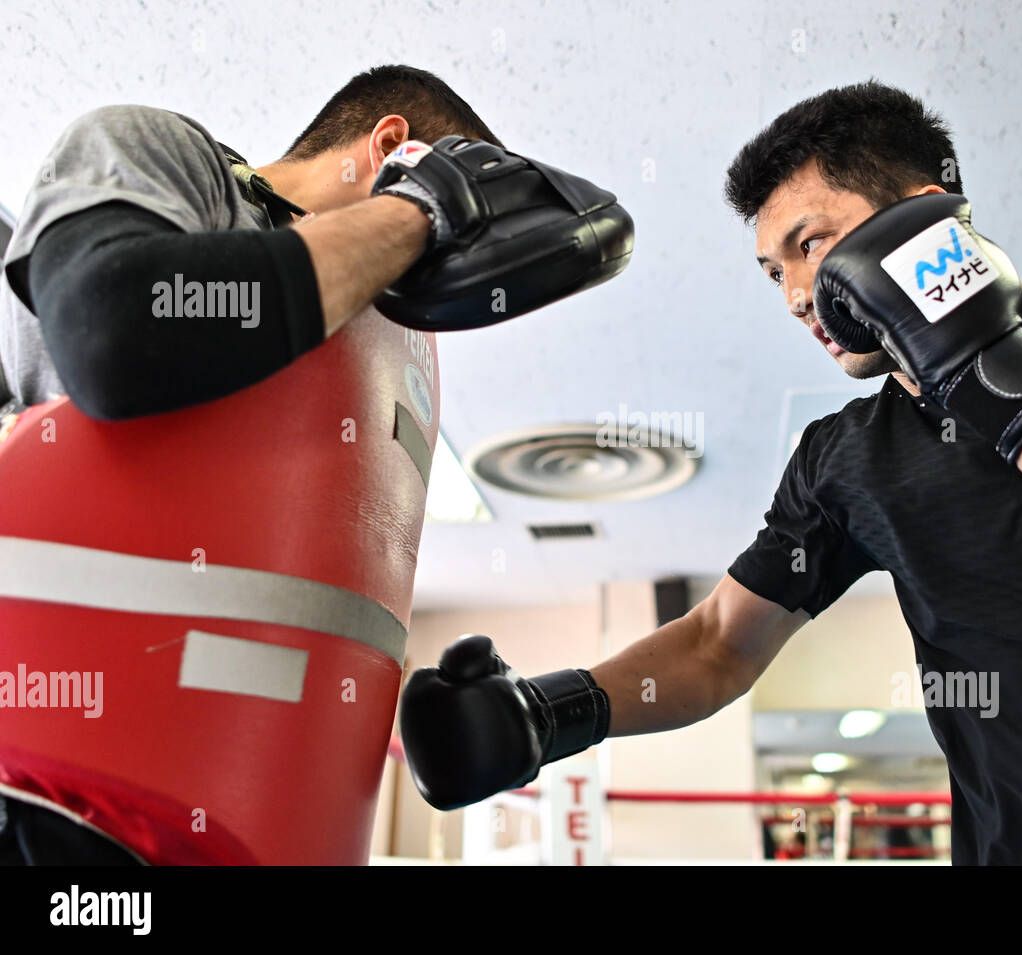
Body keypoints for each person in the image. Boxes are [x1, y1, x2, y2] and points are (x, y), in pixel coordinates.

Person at [402, 80, 1022, 865]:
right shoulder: (843, 458)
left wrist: (973, 351)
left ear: (926, 211)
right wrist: (553, 712)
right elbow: (718, 643)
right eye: (772, 270)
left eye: (812, 242)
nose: (795, 293)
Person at [0, 64, 628, 864]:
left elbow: (277, 583)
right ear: (396, 149)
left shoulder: (385, 355)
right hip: (45, 797)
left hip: (243, 825)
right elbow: (113, 335)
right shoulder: (161, 150)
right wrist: (424, 213)